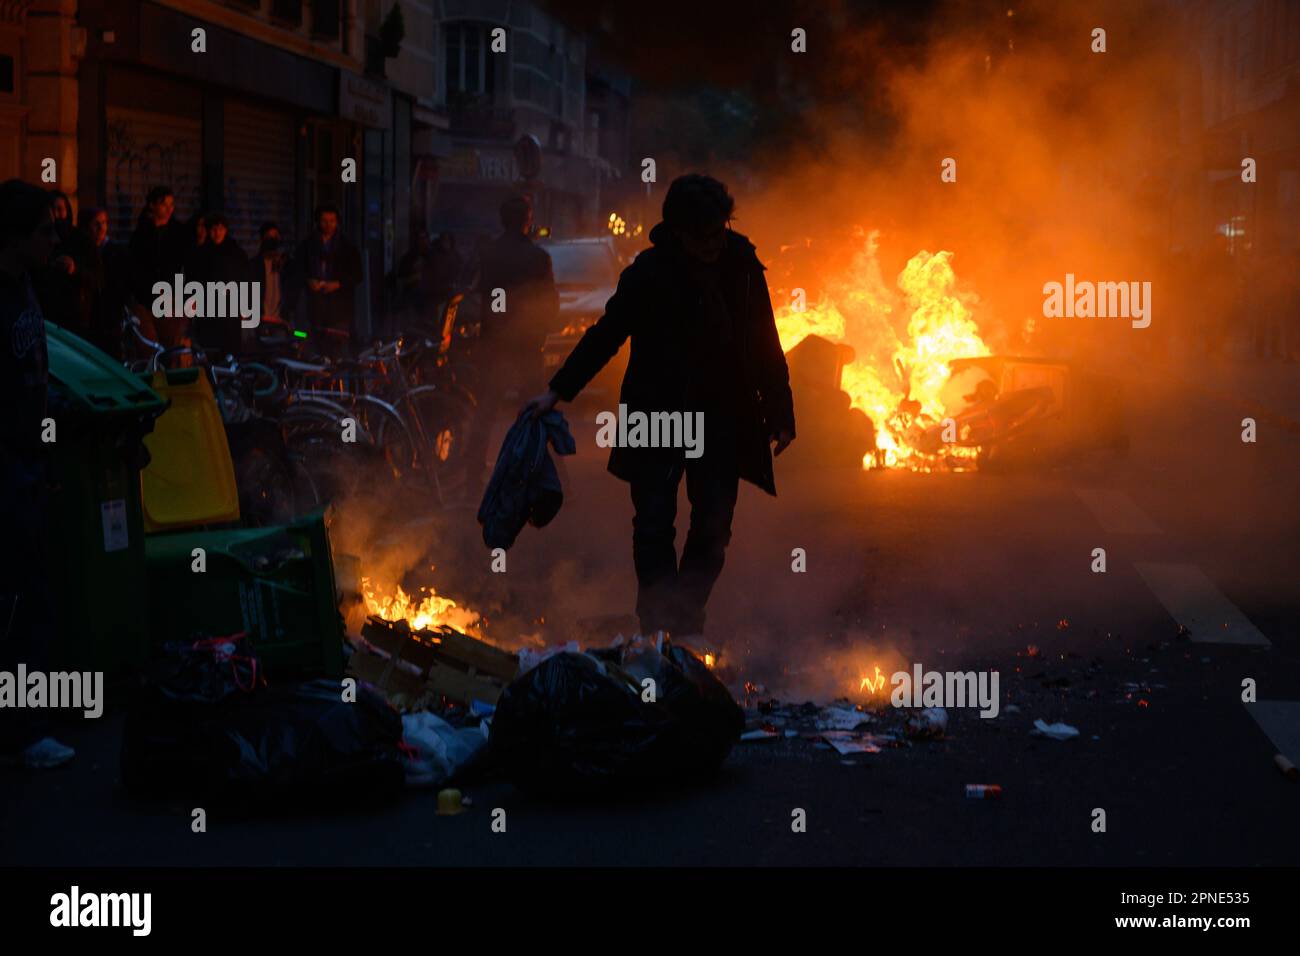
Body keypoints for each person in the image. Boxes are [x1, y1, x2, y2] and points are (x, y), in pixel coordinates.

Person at [523, 174, 796, 640]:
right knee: (653, 524)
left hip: (722, 415)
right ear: (679, 230)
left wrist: (779, 410)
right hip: (657, 412)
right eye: (704, 235)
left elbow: (764, 342)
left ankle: (683, 617)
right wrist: (558, 390)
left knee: (713, 529)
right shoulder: (648, 273)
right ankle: (657, 626)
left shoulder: (742, 266)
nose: (715, 243)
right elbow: (606, 336)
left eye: (720, 231)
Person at [0, 180, 75, 769]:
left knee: (31, 596)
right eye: (46, 229)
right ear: (17, 237)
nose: (56, 237)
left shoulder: (26, 284)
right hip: (6, 469)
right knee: (24, 599)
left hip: (26, 464)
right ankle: (23, 734)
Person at [462, 195, 559, 484]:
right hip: (528, 343)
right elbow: (548, 302)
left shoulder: (488, 253)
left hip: (495, 343)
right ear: (527, 220)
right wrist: (538, 331)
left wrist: (497, 324)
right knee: (538, 409)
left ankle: (473, 473)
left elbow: (486, 296)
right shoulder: (538, 258)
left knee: (486, 409)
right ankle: (551, 475)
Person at [294, 203, 362, 359]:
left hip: (339, 310)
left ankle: (334, 380)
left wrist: (338, 284)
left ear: (337, 222)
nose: (328, 224)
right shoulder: (307, 245)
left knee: (337, 352)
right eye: (324, 220)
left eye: (332, 221)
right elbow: (298, 269)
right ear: (318, 221)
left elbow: (358, 275)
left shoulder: (347, 247)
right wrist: (309, 281)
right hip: (314, 308)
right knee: (313, 349)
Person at [127, 185, 190, 352]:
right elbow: (135, 268)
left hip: (171, 303)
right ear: (152, 205)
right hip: (146, 302)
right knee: (149, 350)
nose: (169, 208)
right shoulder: (141, 233)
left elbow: (186, 266)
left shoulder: (178, 233)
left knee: (173, 351)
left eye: (172, 204)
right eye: (164, 204)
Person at [191, 214, 247, 357]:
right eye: (214, 229)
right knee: (210, 349)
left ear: (226, 230)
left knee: (230, 349)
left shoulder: (236, 253)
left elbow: (244, 280)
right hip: (208, 308)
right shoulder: (202, 253)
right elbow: (195, 279)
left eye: (220, 228)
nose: (217, 233)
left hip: (230, 308)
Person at [249, 222, 289, 347]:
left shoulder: (287, 264)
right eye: (269, 237)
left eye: (275, 236)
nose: (272, 240)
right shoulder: (254, 265)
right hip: (261, 320)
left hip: (280, 321)